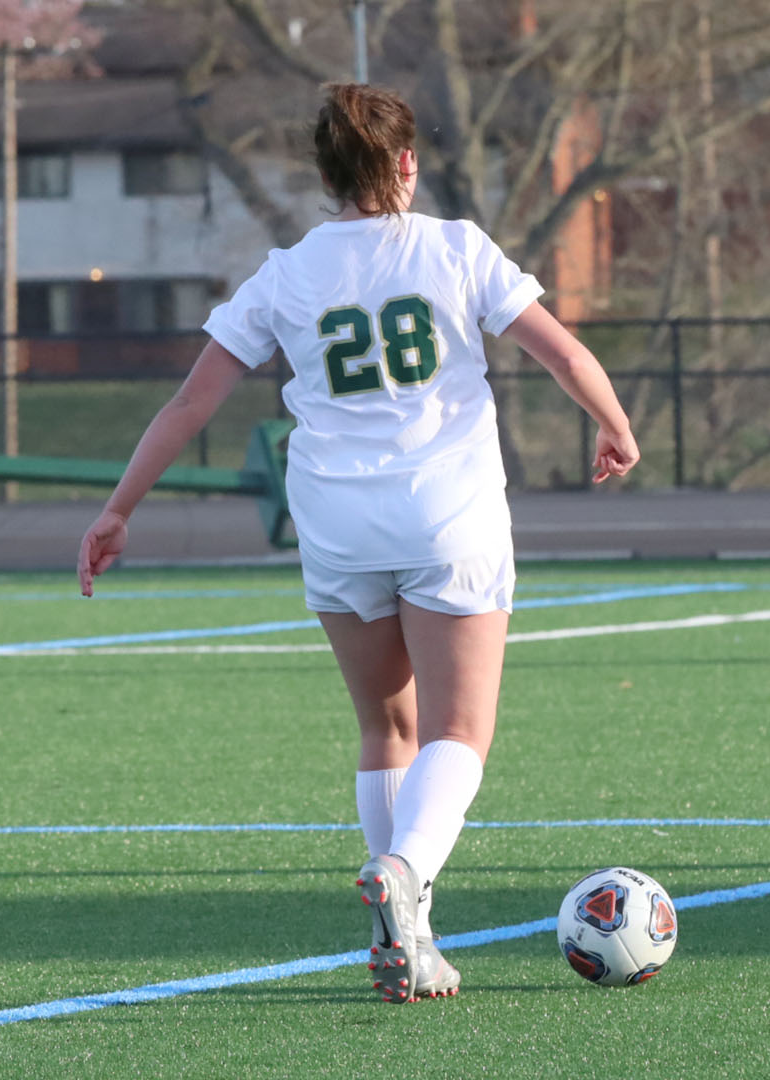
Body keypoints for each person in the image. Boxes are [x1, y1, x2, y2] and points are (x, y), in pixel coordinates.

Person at [77, 84, 637, 1002]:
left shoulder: (287, 273)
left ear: (326, 175)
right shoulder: (456, 248)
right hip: (446, 514)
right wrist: (613, 422)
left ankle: (406, 929)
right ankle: (406, 874)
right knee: (460, 730)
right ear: (406, 163)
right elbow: (564, 353)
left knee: (387, 727)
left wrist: (117, 510)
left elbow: (191, 404)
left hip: (336, 524)